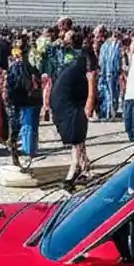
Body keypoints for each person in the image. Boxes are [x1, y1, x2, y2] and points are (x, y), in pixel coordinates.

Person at [45, 29, 97, 188]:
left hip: (65, 99)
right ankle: (76, 169)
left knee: (78, 135)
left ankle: (83, 166)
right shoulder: (84, 57)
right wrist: (90, 101)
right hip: (66, 101)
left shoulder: (72, 56)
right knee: (77, 137)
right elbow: (91, 78)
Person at [7, 38, 40, 164]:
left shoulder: (16, 67)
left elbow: (11, 85)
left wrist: (10, 98)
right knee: (33, 124)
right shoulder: (33, 65)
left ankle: (28, 150)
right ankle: (32, 149)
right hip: (35, 98)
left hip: (23, 99)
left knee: (26, 124)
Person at [97, 28, 123, 121]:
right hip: (112, 72)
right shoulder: (117, 44)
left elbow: (101, 60)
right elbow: (117, 59)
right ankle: (111, 112)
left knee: (106, 92)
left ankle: (106, 112)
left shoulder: (104, 45)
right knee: (112, 92)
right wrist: (119, 69)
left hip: (105, 72)